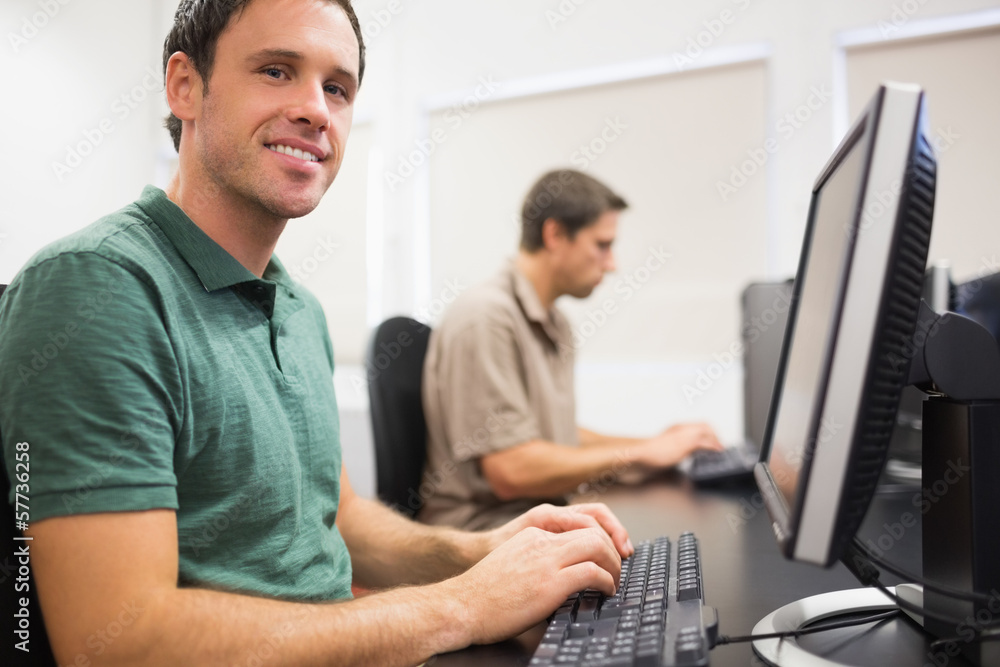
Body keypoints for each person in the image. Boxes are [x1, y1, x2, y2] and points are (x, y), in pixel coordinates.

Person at [0, 1, 634, 665]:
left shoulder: (297, 307)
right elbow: (118, 640)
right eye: (276, 70)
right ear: (184, 85)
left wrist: (481, 551)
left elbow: (342, 519)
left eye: (338, 87)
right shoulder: (97, 288)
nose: (315, 109)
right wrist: (465, 603)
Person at [418, 169, 725, 530]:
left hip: (533, 516)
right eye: (602, 245)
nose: (612, 265)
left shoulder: (554, 322)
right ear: (555, 234)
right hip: (481, 533)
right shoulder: (486, 318)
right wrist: (639, 453)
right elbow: (511, 469)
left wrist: (657, 445)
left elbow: (558, 436)